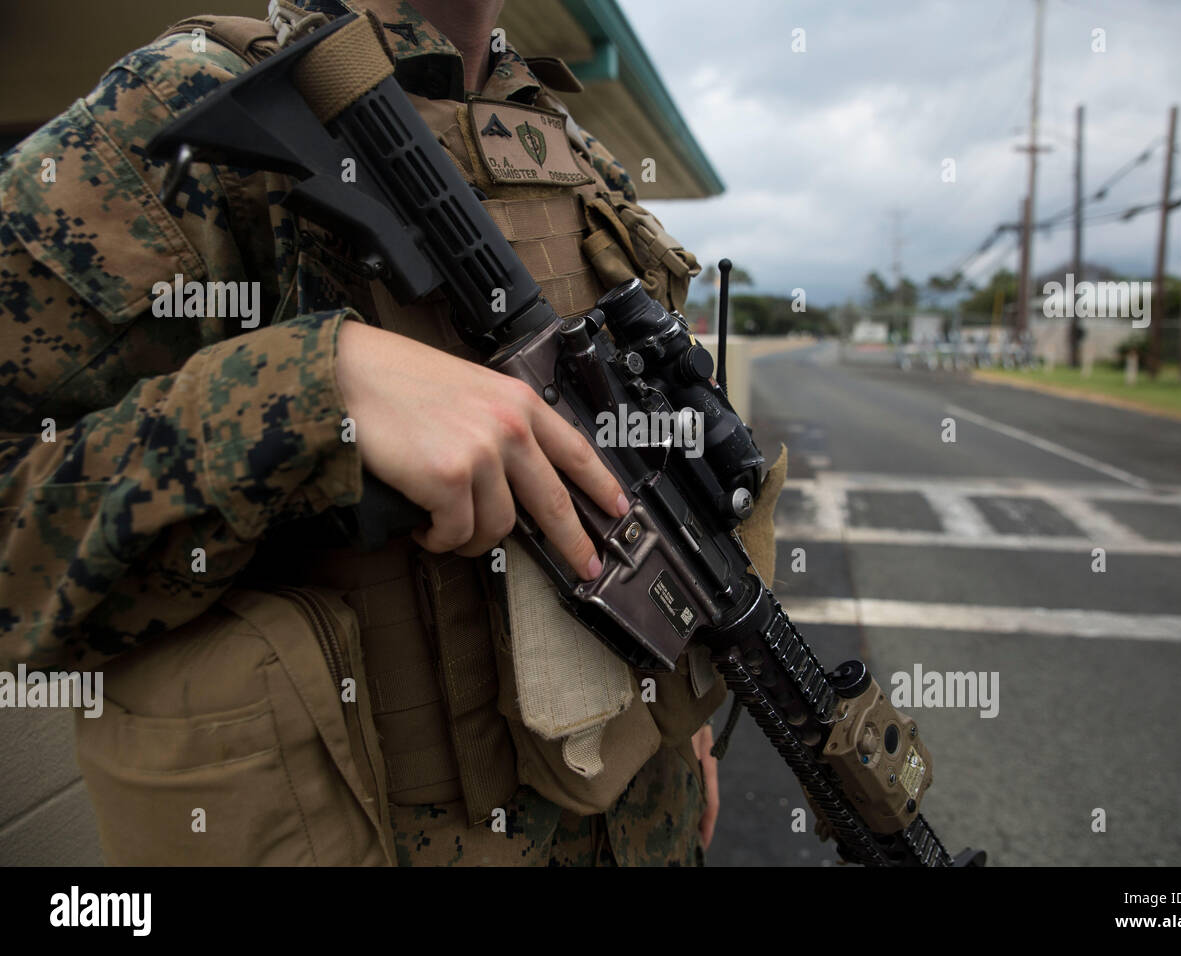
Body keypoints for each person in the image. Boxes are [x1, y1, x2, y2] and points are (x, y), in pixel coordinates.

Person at [0, 0, 766, 865]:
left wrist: (676, 725)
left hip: (645, 817)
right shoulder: (180, 101)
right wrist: (307, 391)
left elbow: (647, 476)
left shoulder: (574, 155)